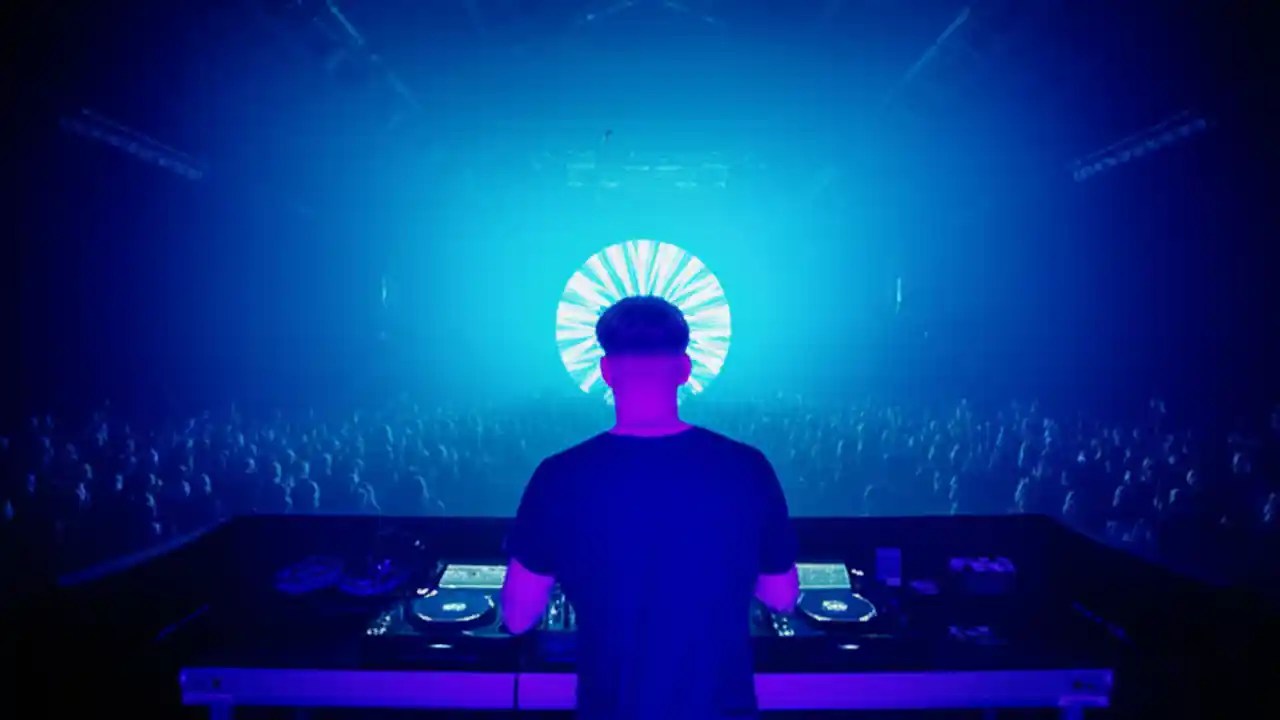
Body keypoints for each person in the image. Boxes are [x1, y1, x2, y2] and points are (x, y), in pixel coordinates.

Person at [502, 295, 799, 720]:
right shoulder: (748, 467)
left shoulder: (559, 476)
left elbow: (517, 616)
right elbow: (781, 596)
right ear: (684, 370)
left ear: (605, 372)